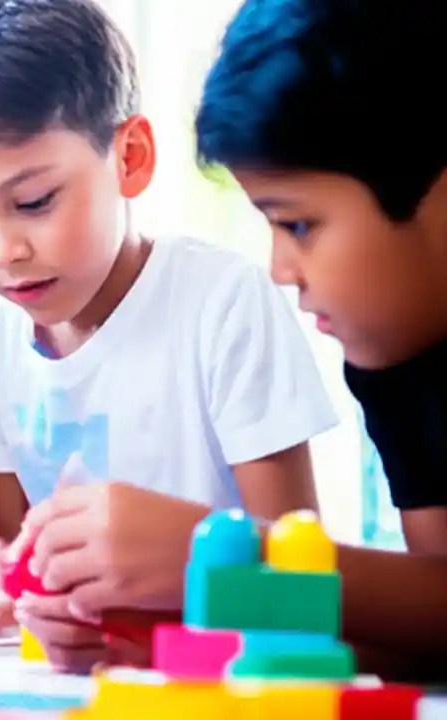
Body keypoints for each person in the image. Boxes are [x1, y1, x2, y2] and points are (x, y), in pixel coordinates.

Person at [0, 0, 336, 668]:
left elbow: (302, 580)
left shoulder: (223, 302)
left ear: (131, 157)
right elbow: (17, 576)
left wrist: (136, 635)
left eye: (33, 203)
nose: (1, 250)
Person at [188, 0, 447, 679]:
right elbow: (432, 622)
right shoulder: (395, 354)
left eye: (297, 225)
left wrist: (252, 564)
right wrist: (172, 636)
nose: (280, 270)